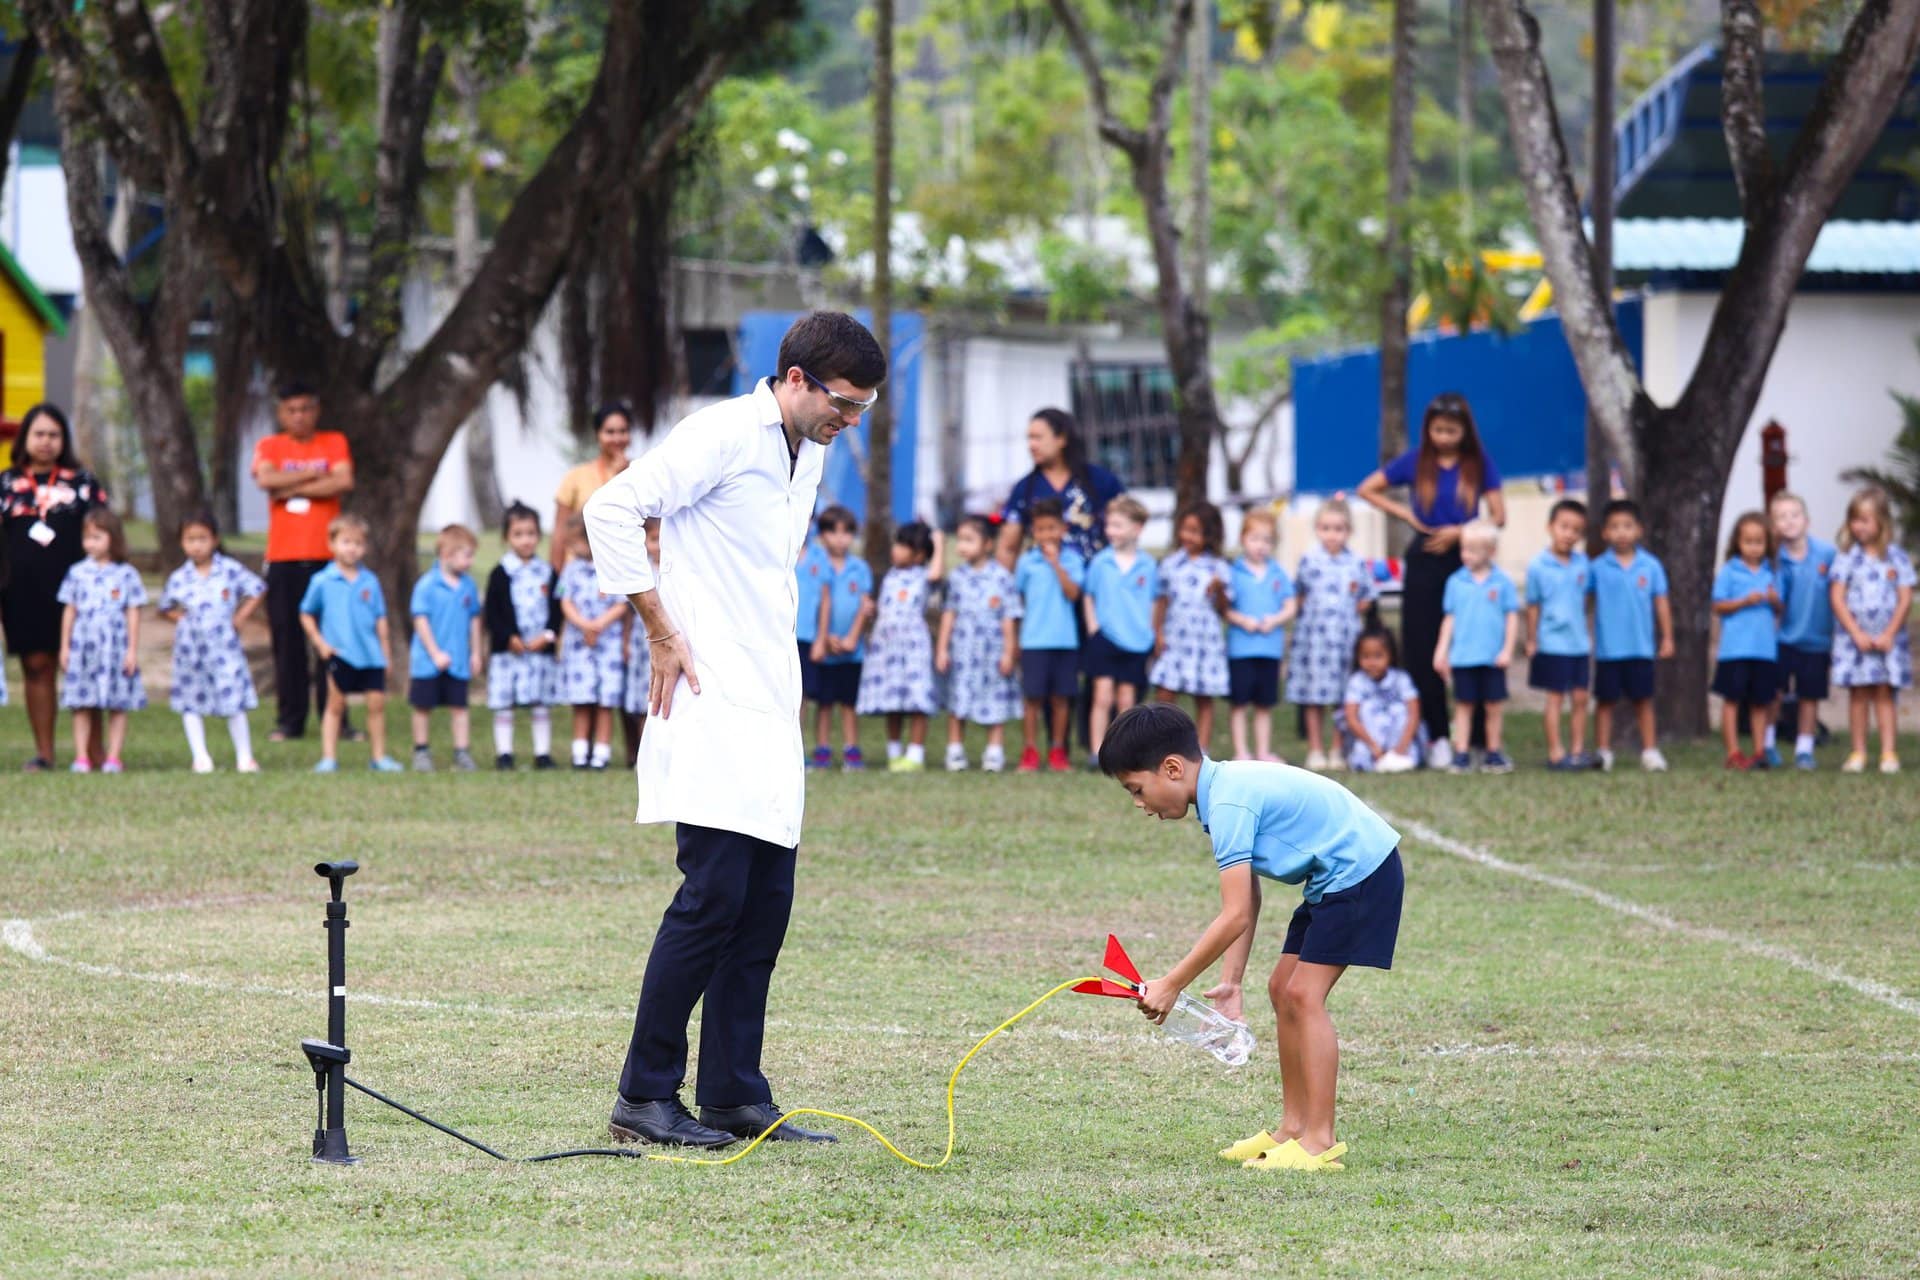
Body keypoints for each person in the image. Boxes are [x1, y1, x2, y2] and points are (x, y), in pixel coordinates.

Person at [583, 308, 887, 1150]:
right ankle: (645, 1095)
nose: (849, 421)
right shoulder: (721, 432)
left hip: (770, 698)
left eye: (862, 410)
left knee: (764, 904)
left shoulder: (811, 452)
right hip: (709, 694)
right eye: (844, 403)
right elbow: (612, 509)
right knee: (711, 896)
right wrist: (659, 627)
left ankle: (732, 1093)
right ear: (795, 380)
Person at [1098, 702, 1404, 1174]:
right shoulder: (1220, 793)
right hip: (1332, 878)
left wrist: (1172, 983)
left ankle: (1320, 1142)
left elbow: (1235, 914)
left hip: (1361, 871)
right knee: (1282, 988)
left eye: (1137, 790)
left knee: (1304, 994)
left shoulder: (1228, 802)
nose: (1140, 804)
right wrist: (1232, 980)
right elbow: (1248, 898)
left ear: (1172, 768)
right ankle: (1292, 1128)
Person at [1357, 393, 1507, 766]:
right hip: (1424, 558)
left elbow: (1499, 515)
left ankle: (1474, 740)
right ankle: (1438, 735)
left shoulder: (1478, 464)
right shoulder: (1415, 460)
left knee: (1469, 646)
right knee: (1423, 650)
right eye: (1438, 430)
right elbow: (1367, 488)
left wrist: (1462, 532)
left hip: (1466, 558)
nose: (1444, 437)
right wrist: (1408, 516)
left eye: (1451, 430)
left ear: (1464, 431)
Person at [1, 403, 110, 770]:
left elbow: (104, 530)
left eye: (54, 435)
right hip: (22, 591)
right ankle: (45, 753)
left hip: (81, 594)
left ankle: (93, 753)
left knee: (84, 667)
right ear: (25, 438)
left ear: (63, 440)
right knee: (37, 665)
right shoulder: (6, 484)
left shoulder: (83, 482)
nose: (46, 442)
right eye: (39, 434)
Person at [252, 381, 356, 743]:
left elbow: (342, 479)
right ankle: (289, 721)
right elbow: (266, 478)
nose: (299, 416)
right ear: (281, 413)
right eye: (291, 410)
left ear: (317, 410)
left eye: (306, 409)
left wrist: (290, 487)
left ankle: (338, 718)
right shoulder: (270, 445)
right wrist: (316, 475)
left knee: (334, 641)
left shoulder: (334, 441)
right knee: (287, 642)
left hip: (328, 559)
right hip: (283, 558)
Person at [158, 512, 265, 773]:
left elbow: (257, 589)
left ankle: (245, 756)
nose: (196, 545)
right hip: (190, 648)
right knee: (191, 699)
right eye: (190, 539)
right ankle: (200, 756)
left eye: (202, 539)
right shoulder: (179, 577)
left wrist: (240, 617)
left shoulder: (229, 570)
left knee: (233, 698)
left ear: (215, 540)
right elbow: (165, 606)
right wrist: (183, 620)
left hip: (224, 645)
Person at [298, 513, 401, 774]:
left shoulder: (371, 581)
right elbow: (306, 613)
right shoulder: (322, 580)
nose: (351, 548)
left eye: (357, 543)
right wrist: (320, 643)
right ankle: (328, 758)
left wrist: (385, 653)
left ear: (364, 547)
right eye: (345, 541)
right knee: (335, 705)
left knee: (376, 705)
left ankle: (379, 757)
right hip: (340, 653)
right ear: (332, 544)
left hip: (371, 654)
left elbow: (380, 618)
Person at [1285, 497, 1376, 772]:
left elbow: (1366, 597)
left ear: (1348, 530)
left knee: (1342, 696)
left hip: (1345, 642)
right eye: (1325, 528)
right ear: (1317, 529)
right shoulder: (1309, 560)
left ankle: (1337, 748)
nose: (1332, 534)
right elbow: (1298, 594)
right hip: (1314, 642)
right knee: (1314, 698)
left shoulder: (1355, 562)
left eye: (1338, 528)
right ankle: (1315, 748)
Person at [1828, 486, 1913, 774]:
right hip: (1856, 641)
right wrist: (1856, 633)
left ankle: (1889, 752)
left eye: (1865, 520)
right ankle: (1858, 752)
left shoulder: (1897, 558)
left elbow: (1904, 598)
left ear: (1882, 521)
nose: (1859, 526)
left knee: (1884, 694)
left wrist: (1889, 632)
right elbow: (1837, 597)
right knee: (1859, 694)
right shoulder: (1846, 557)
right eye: (1855, 519)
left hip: (1888, 640)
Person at [57, 507, 146, 773]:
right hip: (83, 647)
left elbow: (133, 611)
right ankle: (82, 756)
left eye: (97, 537)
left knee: (117, 703)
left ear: (113, 538)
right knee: (81, 703)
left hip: (115, 647)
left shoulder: (127, 574)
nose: (90, 543)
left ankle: (113, 757)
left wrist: (131, 649)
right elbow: (69, 609)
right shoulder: (76, 572)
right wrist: (65, 646)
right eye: (87, 537)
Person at [1590, 499, 1673, 773]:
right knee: (1605, 702)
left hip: (1641, 648)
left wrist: (1667, 638)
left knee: (1643, 701)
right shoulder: (1598, 568)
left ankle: (1649, 751)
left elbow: (1661, 603)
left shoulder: (1650, 566)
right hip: (1608, 650)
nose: (1621, 532)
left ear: (1639, 530)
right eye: (1614, 527)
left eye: (1627, 526)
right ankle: (1603, 752)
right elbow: (1585, 600)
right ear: (1604, 533)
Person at [936, 514, 1022, 772]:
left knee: (994, 698)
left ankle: (994, 750)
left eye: (969, 540)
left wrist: (1009, 652)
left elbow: (1009, 617)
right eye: (960, 540)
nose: (962, 546)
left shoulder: (1002, 578)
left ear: (987, 544)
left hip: (991, 651)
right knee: (958, 698)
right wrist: (941, 648)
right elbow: (949, 613)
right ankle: (955, 749)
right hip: (962, 649)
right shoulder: (957, 577)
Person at [856, 521, 944, 772]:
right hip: (887, 647)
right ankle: (894, 753)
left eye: (904, 546)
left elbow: (936, 573)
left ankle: (915, 754)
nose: (896, 550)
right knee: (892, 701)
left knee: (917, 700)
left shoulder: (923, 577)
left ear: (919, 553)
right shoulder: (890, 577)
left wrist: (937, 542)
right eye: (897, 544)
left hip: (913, 647)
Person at [1433, 520, 1518, 774]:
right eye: (1464, 548)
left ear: (1490, 552)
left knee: (1493, 706)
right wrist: (1442, 650)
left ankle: (1493, 752)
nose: (1465, 555)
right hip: (1463, 657)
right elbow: (1450, 619)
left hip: (1493, 658)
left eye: (1472, 550)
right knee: (1463, 706)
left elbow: (1511, 617)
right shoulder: (1456, 582)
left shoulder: (1502, 582)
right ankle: (1461, 753)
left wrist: (1507, 650)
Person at [994, 407, 1126, 568]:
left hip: (1095, 583)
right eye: (1029, 439)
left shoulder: (1101, 481)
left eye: (1038, 438)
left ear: (1061, 438)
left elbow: (1126, 530)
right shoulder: (1024, 489)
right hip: (1044, 584)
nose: (1031, 445)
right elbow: (1008, 547)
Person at [484, 502, 562, 771]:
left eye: (530, 533)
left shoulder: (548, 572)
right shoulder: (501, 572)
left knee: (540, 702)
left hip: (539, 649)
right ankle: (504, 753)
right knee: (505, 702)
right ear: (507, 537)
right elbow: (492, 612)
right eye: (518, 534)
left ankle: (542, 753)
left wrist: (549, 635)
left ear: (538, 535)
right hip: (510, 651)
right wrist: (508, 637)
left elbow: (556, 607)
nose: (525, 540)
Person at [1150, 502, 1231, 751]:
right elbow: (1161, 601)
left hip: (1204, 641)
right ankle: (1163, 744)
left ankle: (1200, 749)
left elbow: (1224, 609)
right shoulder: (1170, 564)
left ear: (1209, 535)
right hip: (1176, 637)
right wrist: (1158, 633)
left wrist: (1219, 590)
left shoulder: (1218, 567)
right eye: (1184, 529)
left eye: (1195, 531)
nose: (1188, 536)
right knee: (1166, 692)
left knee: (1204, 697)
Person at [1014, 497, 1087, 772]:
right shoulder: (1026, 562)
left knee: (1061, 699)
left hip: (1065, 640)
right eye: (1040, 529)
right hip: (1033, 640)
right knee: (1032, 699)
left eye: (1051, 528)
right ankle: (1030, 751)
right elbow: (1018, 597)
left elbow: (1073, 593)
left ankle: (1058, 751)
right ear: (1033, 531)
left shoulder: (1073, 560)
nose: (1046, 534)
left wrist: (1057, 565)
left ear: (1063, 529)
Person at [1083, 496, 1157, 764]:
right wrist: (1094, 628)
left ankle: (1126, 753)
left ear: (1137, 528)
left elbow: (1152, 601)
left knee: (1127, 699)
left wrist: (1149, 632)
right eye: (1109, 525)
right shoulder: (1101, 562)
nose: (1111, 531)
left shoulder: (1148, 565)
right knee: (1102, 696)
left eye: (1118, 525)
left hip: (1136, 639)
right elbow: (1088, 595)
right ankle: (1097, 750)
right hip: (1105, 638)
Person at [1525, 499, 1594, 770]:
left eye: (1576, 530)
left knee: (1581, 698)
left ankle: (1577, 751)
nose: (1569, 534)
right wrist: (1532, 639)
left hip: (1579, 644)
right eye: (1564, 527)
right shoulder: (1538, 566)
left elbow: (1585, 599)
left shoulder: (1583, 564)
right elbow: (1533, 606)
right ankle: (1556, 752)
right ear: (1550, 527)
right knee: (1555, 698)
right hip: (1553, 643)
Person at [408, 524, 484, 772]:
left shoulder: (468, 586)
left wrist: (475, 652)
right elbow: (421, 621)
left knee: (459, 707)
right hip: (428, 661)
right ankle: (421, 750)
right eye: (467, 555)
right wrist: (435, 653)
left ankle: (461, 752)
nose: (470, 561)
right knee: (422, 706)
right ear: (446, 554)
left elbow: (474, 619)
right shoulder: (427, 585)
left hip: (458, 661)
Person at [1769, 491, 1836, 770]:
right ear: (1774, 526)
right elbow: (1775, 602)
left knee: (1810, 696)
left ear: (1806, 520)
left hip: (1817, 640)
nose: (1789, 521)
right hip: (1782, 639)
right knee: (1774, 692)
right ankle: (1768, 743)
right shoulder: (1774, 560)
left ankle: (1805, 748)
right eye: (1781, 517)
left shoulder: (1827, 554)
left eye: (1794, 515)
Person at [1224, 509, 1297, 763]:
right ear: (1243, 539)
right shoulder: (1234, 572)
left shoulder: (1277, 573)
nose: (1260, 546)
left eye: (1267, 540)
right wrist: (1243, 620)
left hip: (1270, 648)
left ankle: (1263, 750)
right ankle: (1241, 750)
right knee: (1240, 704)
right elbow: (1225, 607)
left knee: (1264, 704)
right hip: (1241, 649)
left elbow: (1290, 605)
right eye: (1255, 539)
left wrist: (1275, 620)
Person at [1711, 511, 1782, 771]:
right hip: (1735, 649)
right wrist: (1743, 601)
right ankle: (1733, 752)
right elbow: (1718, 606)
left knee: (1760, 702)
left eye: (1759, 542)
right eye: (1748, 541)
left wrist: (1774, 600)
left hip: (1764, 650)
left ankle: (1760, 750)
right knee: (1732, 700)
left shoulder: (1770, 572)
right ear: (1737, 543)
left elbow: (1779, 607)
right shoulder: (1730, 571)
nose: (1753, 547)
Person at [556, 517, 627, 771]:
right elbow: (565, 600)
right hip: (579, 645)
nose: (571, 549)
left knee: (605, 702)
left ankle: (601, 753)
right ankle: (579, 752)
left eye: (574, 544)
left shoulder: (611, 567)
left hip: (607, 645)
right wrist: (584, 625)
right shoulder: (571, 569)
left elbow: (622, 603)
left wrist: (599, 624)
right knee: (582, 701)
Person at [809, 506, 871, 772]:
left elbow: (865, 606)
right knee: (823, 702)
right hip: (824, 646)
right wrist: (825, 639)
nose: (840, 539)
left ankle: (851, 749)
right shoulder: (815, 564)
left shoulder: (860, 568)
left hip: (852, 649)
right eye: (833, 532)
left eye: (847, 533)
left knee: (848, 702)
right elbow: (814, 604)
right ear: (822, 535)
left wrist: (852, 638)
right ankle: (822, 749)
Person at [552, 403, 634, 570]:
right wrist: (556, 573)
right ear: (598, 434)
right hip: (579, 569)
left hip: (624, 567)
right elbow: (560, 531)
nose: (617, 438)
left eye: (623, 431)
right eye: (610, 432)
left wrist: (623, 474)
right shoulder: (576, 476)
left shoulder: (640, 473)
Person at [1339, 628, 1422, 773]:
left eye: (1378, 656)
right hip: (1369, 741)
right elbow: (1351, 717)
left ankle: (1396, 759)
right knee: (1367, 709)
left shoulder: (1401, 679)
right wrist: (1373, 746)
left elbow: (1414, 713)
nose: (1372, 662)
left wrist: (1402, 746)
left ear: (1391, 655)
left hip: (1399, 740)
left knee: (1399, 710)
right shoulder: (1357, 681)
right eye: (1366, 656)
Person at [621, 520, 663, 768]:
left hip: (670, 643)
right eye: (654, 539)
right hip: (642, 645)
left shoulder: (676, 568)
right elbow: (628, 613)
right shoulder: (642, 571)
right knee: (643, 701)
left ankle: (662, 757)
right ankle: (642, 756)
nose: (659, 546)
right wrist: (625, 642)